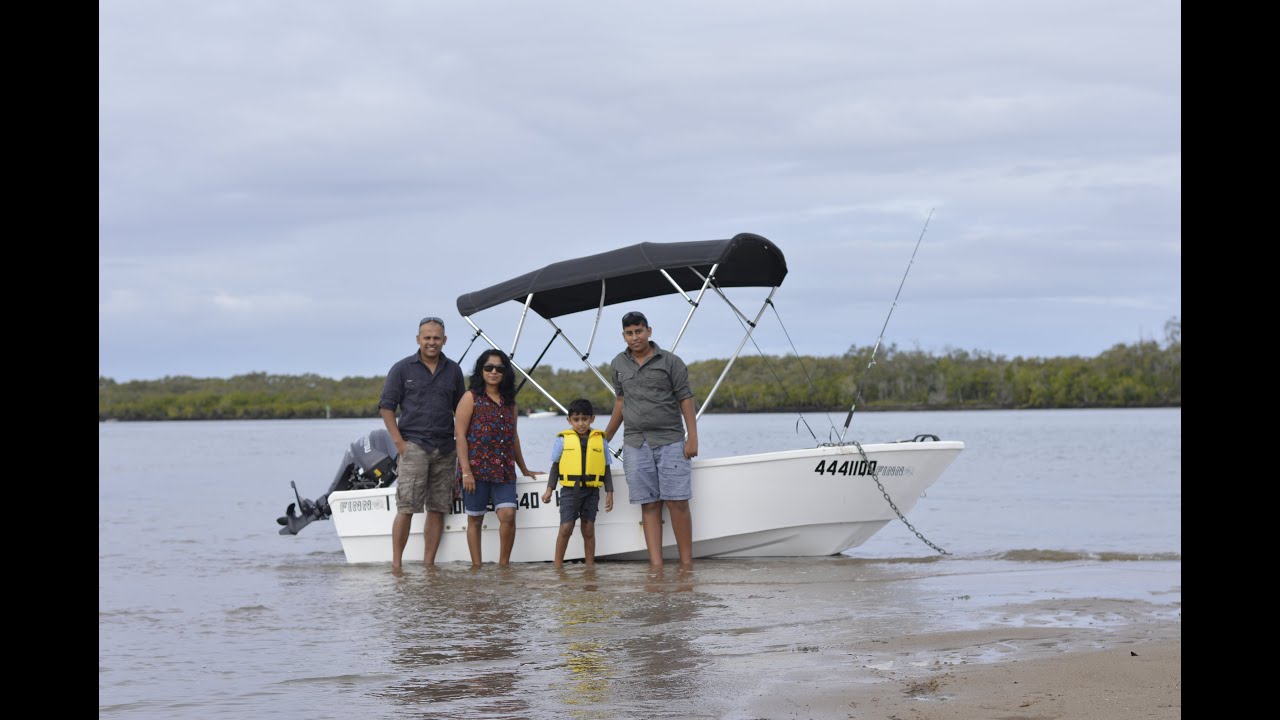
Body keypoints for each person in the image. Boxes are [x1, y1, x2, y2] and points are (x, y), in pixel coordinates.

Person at [604, 310, 699, 567]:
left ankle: (686, 566)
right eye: (629, 333)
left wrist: (693, 438)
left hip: (671, 440)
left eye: (639, 331)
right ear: (623, 336)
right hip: (635, 443)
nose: (635, 337)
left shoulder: (671, 362)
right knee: (649, 504)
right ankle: (656, 567)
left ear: (649, 331)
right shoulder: (618, 364)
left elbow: (685, 398)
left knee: (677, 502)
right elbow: (621, 401)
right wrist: (605, 437)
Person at [379, 316, 467, 572]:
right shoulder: (402, 368)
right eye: (427, 337)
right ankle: (397, 565)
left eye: (436, 338)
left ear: (444, 340)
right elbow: (386, 407)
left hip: (445, 448)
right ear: (418, 339)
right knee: (406, 508)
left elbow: (461, 409)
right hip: (413, 445)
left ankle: (429, 565)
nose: (431, 342)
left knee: (438, 508)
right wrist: (399, 444)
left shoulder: (454, 370)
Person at [454, 349, 543, 566]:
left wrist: (524, 469)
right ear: (481, 370)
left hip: (503, 470)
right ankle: (477, 567)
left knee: (508, 516)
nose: (494, 372)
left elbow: (514, 438)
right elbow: (460, 436)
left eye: (499, 368)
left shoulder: (510, 403)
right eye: (489, 367)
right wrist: (466, 471)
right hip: (475, 470)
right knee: (475, 519)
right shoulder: (470, 397)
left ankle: (504, 566)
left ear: (505, 373)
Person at [540, 399, 615, 567]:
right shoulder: (562, 440)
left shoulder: (600, 440)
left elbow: (606, 467)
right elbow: (555, 466)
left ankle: (590, 567)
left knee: (588, 529)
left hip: (591, 491)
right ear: (569, 420)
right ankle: (558, 566)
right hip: (569, 490)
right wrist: (549, 490)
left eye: (585, 419)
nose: (581, 423)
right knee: (566, 527)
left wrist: (610, 492)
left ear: (592, 419)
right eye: (576, 419)